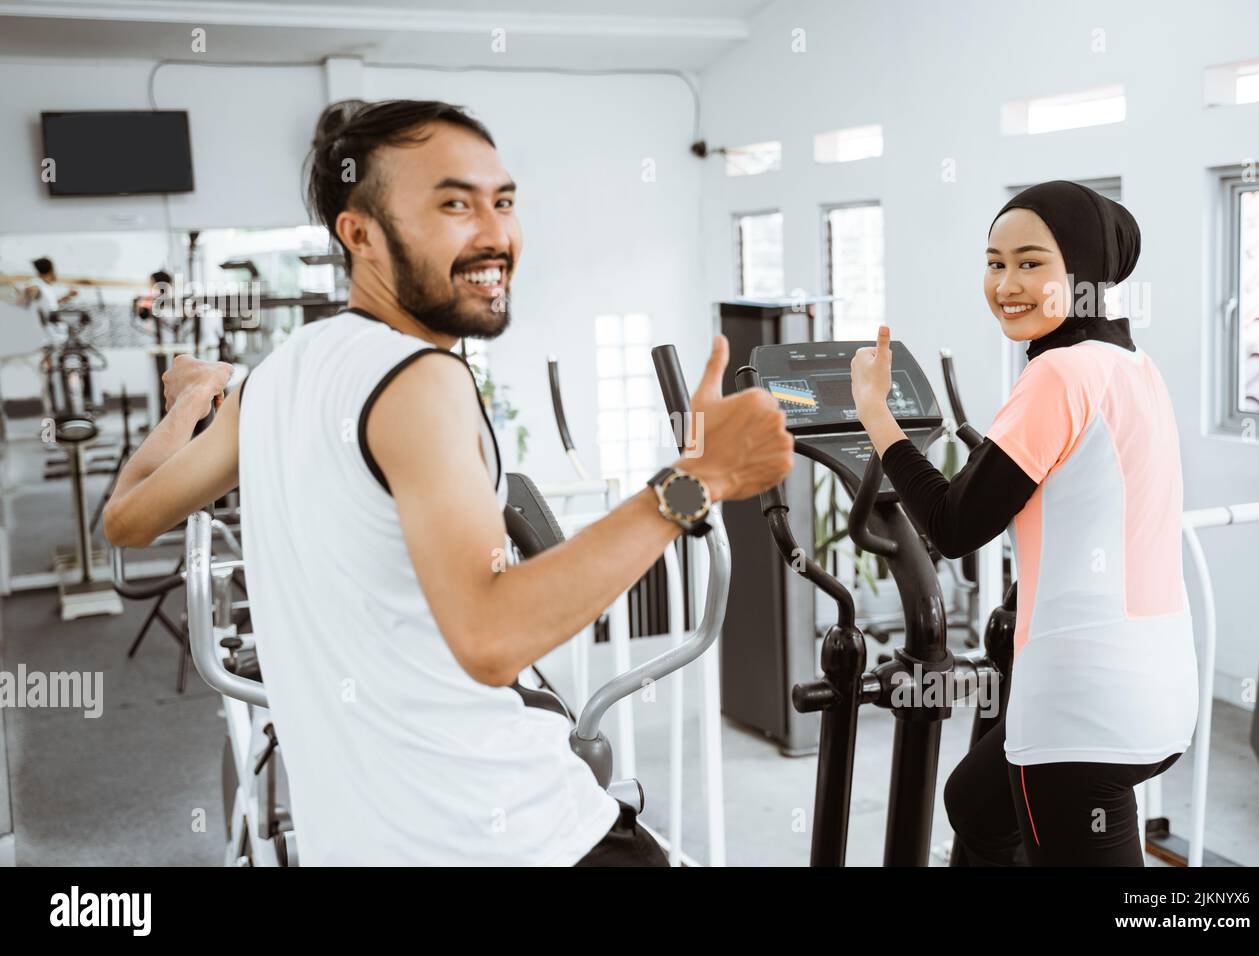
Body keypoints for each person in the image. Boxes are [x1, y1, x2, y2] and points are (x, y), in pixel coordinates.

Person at [103, 99, 794, 866]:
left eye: (503, 202)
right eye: (454, 205)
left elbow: (127, 518)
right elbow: (491, 639)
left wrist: (196, 400)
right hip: (514, 839)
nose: (495, 234)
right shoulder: (420, 379)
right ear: (359, 234)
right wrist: (697, 480)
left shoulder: (277, 377)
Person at [850, 180, 1198, 866]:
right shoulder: (1135, 366)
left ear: (1084, 273)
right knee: (975, 806)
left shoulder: (1058, 375)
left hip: (1081, 713)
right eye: (995, 261)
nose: (1006, 283)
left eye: (1031, 263)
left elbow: (952, 526)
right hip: (1158, 690)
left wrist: (876, 416)